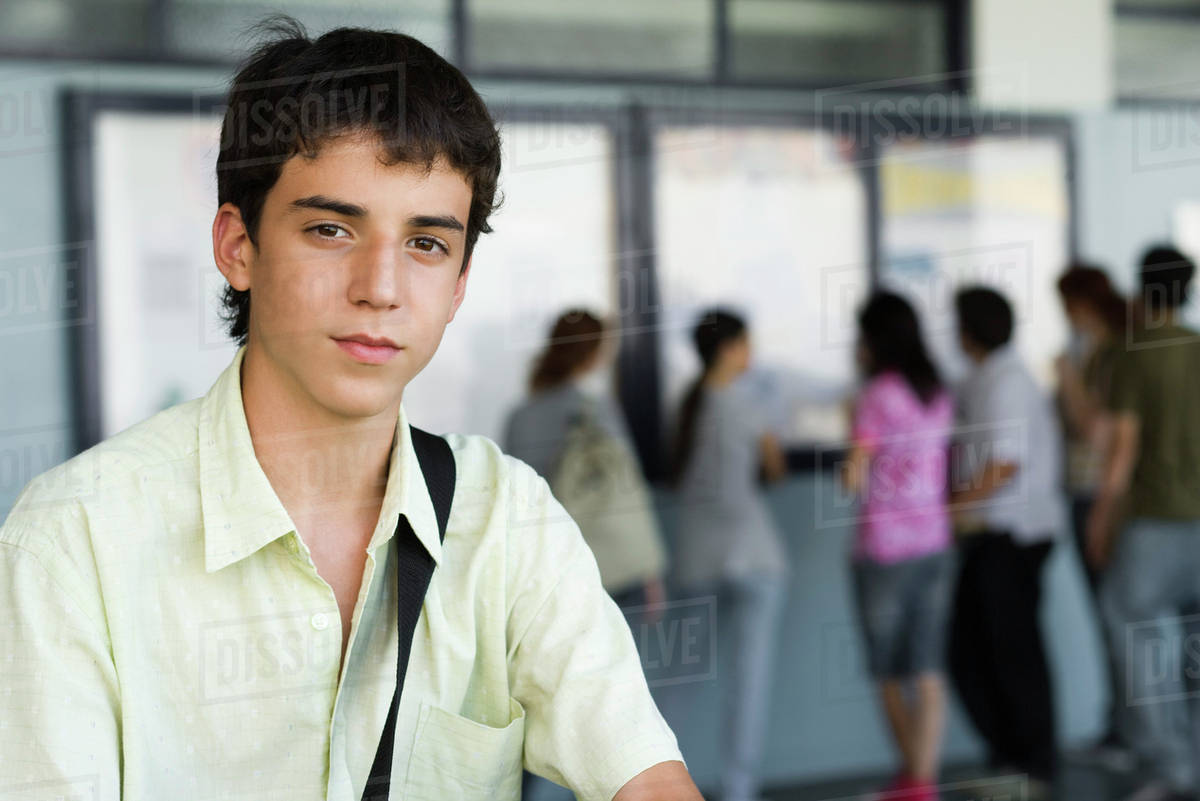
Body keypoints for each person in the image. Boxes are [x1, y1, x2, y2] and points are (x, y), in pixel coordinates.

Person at [0, 20, 702, 801]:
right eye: (331, 229)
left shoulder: (505, 518)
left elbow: (648, 779)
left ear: (461, 282)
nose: (382, 285)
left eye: (427, 243)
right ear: (238, 246)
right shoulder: (76, 539)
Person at [1088, 246, 1200, 801]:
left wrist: (1101, 517)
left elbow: (1121, 449)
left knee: (1135, 638)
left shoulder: (1136, 354)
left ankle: (1172, 764)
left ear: (1142, 288)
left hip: (1155, 521)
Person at [947, 286, 1066, 798]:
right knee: (976, 649)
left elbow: (1003, 463)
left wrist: (947, 512)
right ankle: (1011, 758)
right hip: (993, 534)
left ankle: (1032, 765)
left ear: (968, 330)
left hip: (1013, 534)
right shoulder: (985, 377)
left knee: (1010, 650)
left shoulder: (1007, 382)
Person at [671, 308, 789, 801]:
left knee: (678, 682)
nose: (751, 354)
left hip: (697, 557)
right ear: (729, 349)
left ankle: (649, 785)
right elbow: (775, 468)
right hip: (753, 557)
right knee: (750, 682)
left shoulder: (687, 403)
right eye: (745, 344)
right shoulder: (746, 403)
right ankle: (740, 791)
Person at [842, 292, 953, 801]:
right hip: (934, 542)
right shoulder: (937, 391)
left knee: (888, 671)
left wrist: (849, 430)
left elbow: (852, 477)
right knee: (927, 670)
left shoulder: (876, 395)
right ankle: (921, 783)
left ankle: (912, 782)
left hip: (884, 549)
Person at [504, 309, 667, 613]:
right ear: (594, 354)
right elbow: (627, 490)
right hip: (616, 565)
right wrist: (649, 568)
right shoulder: (598, 410)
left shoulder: (520, 417)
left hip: (552, 570)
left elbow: (515, 500)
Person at [1054, 263, 1133, 768]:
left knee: (1116, 618)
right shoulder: (1095, 350)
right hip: (1089, 493)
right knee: (1112, 617)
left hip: (1101, 495)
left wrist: (1066, 380)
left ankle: (1129, 735)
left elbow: (1096, 431)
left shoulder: (1109, 354)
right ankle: (1120, 727)